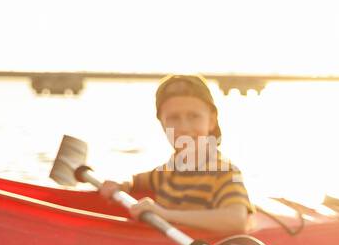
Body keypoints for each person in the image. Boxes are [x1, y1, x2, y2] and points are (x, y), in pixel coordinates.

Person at [99, 74, 252, 233]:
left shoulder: (224, 171)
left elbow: (236, 221)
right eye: (173, 118)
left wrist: (165, 214)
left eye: (194, 116)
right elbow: (136, 180)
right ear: (163, 125)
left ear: (211, 121)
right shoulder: (169, 170)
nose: (184, 127)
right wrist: (121, 183)